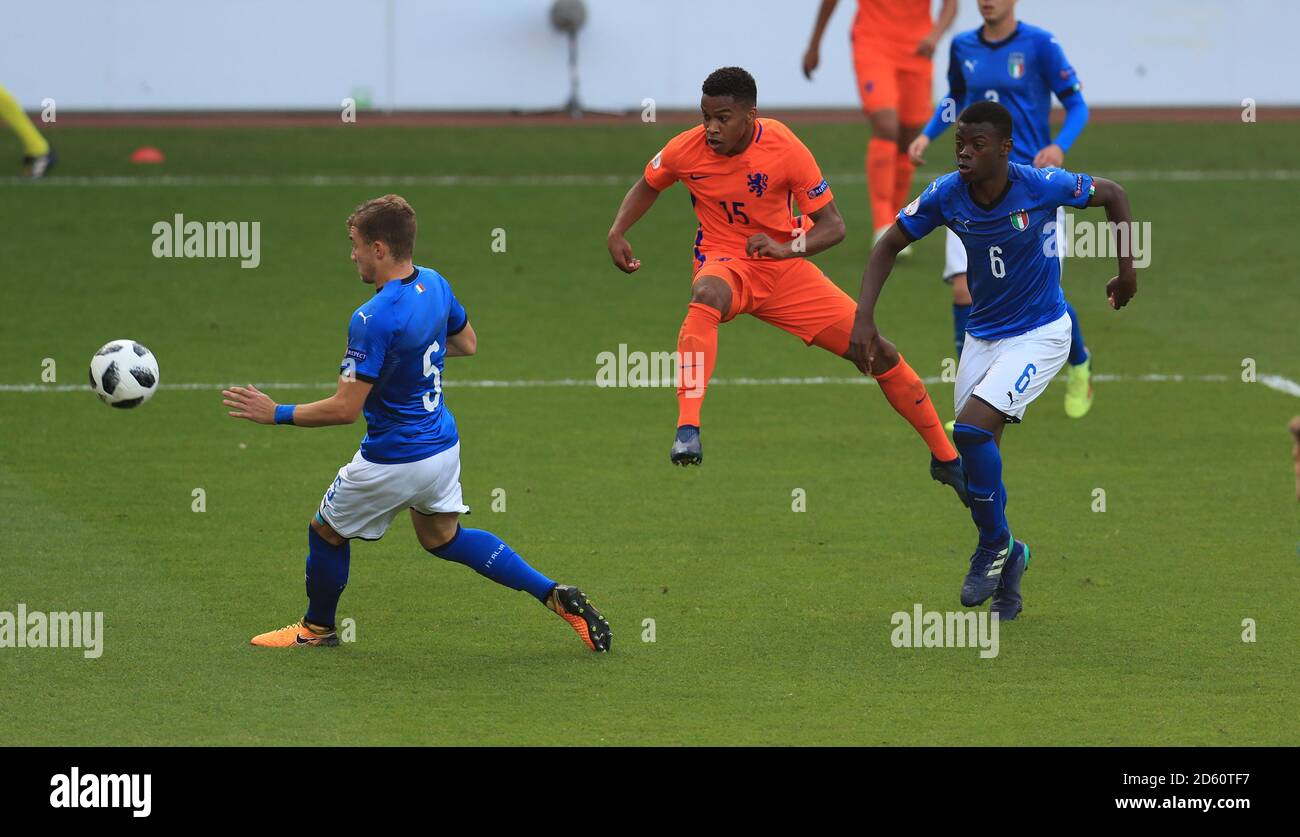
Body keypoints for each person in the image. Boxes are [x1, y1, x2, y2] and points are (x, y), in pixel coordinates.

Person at [223, 195, 611, 652]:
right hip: (442, 448)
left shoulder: (370, 319)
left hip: (395, 458)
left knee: (325, 530)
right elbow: (466, 343)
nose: (353, 255)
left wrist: (276, 413)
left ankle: (316, 630)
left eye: (356, 245)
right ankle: (554, 594)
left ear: (380, 248)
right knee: (443, 537)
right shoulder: (435, 283)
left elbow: (345, 409)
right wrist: (408, 357)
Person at [606, 66, 968, 506]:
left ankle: (946, 458)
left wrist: (785, 248)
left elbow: (833, 226)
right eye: (706, 117)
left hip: (783, 269)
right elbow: (649, 183)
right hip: (725, 261)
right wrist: (618, 230)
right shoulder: (686, 148)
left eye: (722, 118)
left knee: (877, 352)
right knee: (706, 295)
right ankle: (688, 428)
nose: (711, 128)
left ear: (750, 115)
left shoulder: (783, 146)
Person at [851, 101, 1137, 619]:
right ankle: (1011, 560)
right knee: (977, 468)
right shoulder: (947, 194)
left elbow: (1114, 194)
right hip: (982, 340)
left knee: (971, 431)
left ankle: (990, 547)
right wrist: (863, 317)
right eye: (959, 143)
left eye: (977, 145)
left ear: (1005, 149)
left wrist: (1127, 270)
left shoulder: (1042, 185)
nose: (964, 153)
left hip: (1040, 335)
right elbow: (888, 244)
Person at [909, 0, 1096, 417]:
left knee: (1041, 294)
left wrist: (1058, 146)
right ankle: (973, 396)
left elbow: (1077, 105)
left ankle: (1080, 362)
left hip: (1032, 193)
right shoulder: (962, 46)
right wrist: (926, 135)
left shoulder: (1040, 44)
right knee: (963, 287)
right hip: (974, 190)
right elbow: (956, 99)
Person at [802, 0, 957, 248]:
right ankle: (883, 223)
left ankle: (898, 222)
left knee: (909, 138)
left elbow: (951, 4)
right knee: (886, 125)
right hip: (873, 43)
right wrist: (814, 44)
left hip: (918, 49)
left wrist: (935, 36)